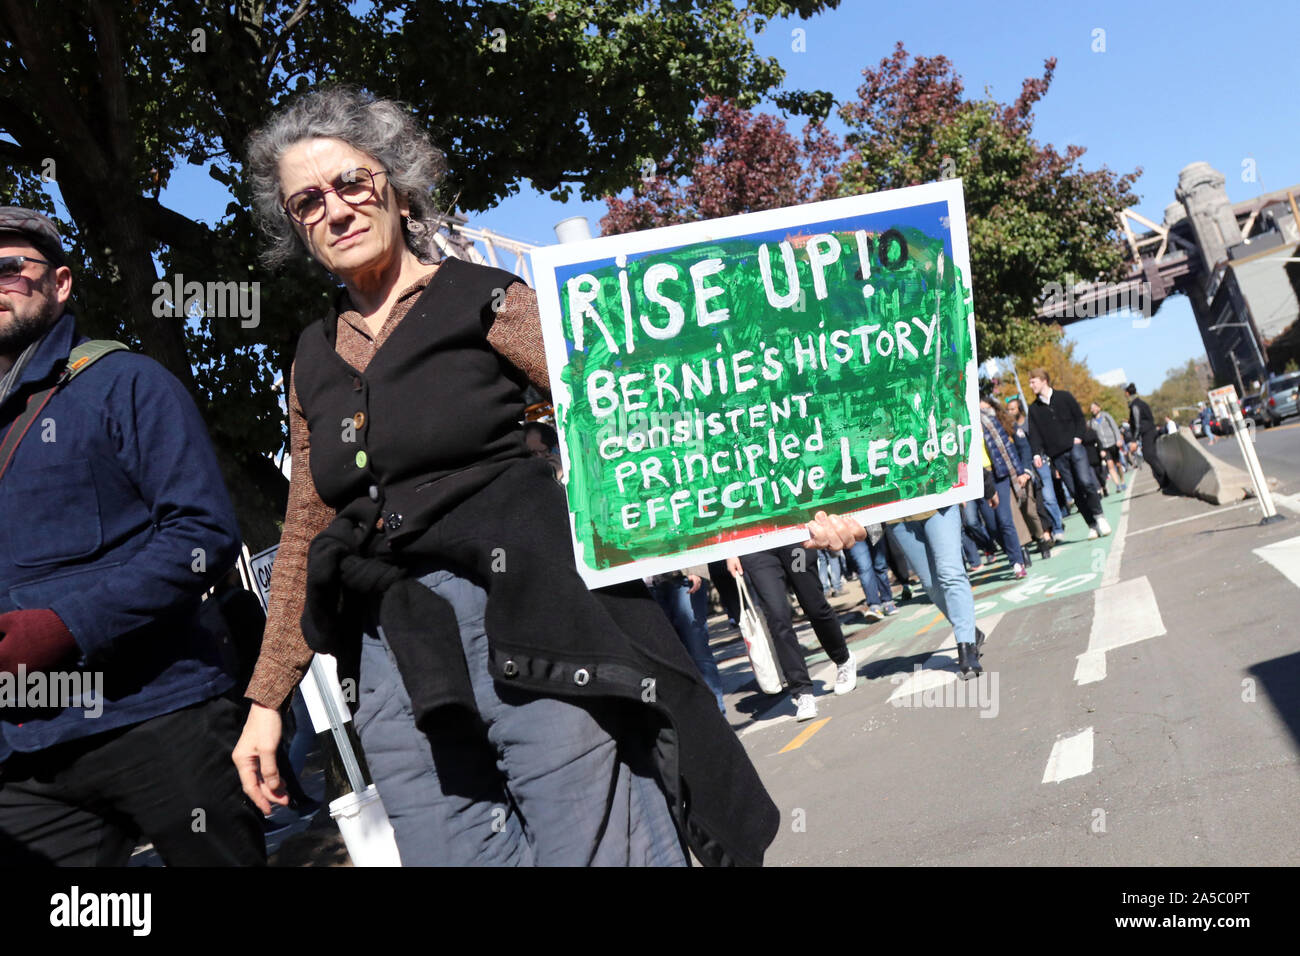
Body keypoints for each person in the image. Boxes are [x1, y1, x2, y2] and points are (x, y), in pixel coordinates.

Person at [232, 88, 866, 866]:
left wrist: (807, 499)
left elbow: (645, 412)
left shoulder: (489, 301)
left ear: (395, 186)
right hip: (395, 651)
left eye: (353, 182)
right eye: (308, 201)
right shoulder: (310, 358)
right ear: (295, 227)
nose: (336, 209)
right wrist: (267, 701)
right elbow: (305, 524)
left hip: (531, 613)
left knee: (592, 846)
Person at [0, 208, 265, 866]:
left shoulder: (126, 382)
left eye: (10, 269)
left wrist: (68, 625)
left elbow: (202, 533)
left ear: (60, 284)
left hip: (158, 716)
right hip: (24, 755)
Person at [727, 545, 857, 721]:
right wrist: (729, 552)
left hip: (793, 541)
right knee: (777, 617)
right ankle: (802, 691)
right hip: (755, 548)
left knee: (814, 605)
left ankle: (844, 659)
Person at [884, 509, 986, 678]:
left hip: (939, 501)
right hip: (898, 514)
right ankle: (970, 630)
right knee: (930, 584)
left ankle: (967, 646)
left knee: (950, 573)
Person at [1025, 369, 1111, 540]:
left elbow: (1080, 418)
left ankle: (1100, 517)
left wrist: (1078, 437)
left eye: (1033, 381)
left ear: (1044, 380)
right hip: (1057, 456)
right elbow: (1034, 435)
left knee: (1086, 482)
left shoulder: (1064, 397)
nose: (1030, 385)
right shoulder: (1034, 409)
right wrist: (1036, 454)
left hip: (1075, 448)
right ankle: (1091, 525)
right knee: (1074, 491)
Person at [647, 568, 726, 715]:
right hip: (641, 585)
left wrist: (694, 568)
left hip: (682, 576)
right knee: (658, 660)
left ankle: (718, 717)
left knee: (698, 650)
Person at [978, 399, 1028, 578]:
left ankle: (1017, 561)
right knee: (992, 525)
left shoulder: (988, 419)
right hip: (980, 481)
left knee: (1005, 519)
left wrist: (1020, 471)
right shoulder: (958, 426)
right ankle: (1012, 551)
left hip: (998, 473)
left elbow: (1007, 447)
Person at [1002, 398, 1053, 559]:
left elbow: (1025, 449)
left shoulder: (1013, 428)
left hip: (1022, 474)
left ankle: (1041, 539)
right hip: (1005, 478)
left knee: (1030, 511)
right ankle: (1024, 549)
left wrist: (1025, 472)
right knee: (1015, 515)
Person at [1010, 395, 1064, 543]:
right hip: (1026, 468)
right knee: (1034, 504)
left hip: (1040, 463)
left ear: (1020, 409)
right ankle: (1044, 531)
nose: (1010, 412)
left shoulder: (1030, 423)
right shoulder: (1011, 429)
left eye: (1013, 409)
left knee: (1048, 498)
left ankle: (1058, 528)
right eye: (1008, 409)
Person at [1125, 383, 1173, 495]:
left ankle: (1166, 479)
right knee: (1152, 455)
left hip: (1147, 433)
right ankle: (1163, 482)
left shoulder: (1135, 405)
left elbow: (1137, 424)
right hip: (1151, 431)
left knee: (1148, 455)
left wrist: (1133, 440)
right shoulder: (1142, 403)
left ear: (1127, 393)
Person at [1089, 401, 1126, 491]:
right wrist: (1100, 449)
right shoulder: (1091, 422)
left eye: (1094, 407)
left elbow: (1114, 427)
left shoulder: (1106, 416)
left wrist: (1118, 440)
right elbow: (1095, 437)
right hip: (1104, 447)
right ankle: (1117, 485)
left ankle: (1122, 481)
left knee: (1118, 464)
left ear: (1099, 408)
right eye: (1091, 408)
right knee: (1110, 466)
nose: (1093, 409)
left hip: (1113, 443)